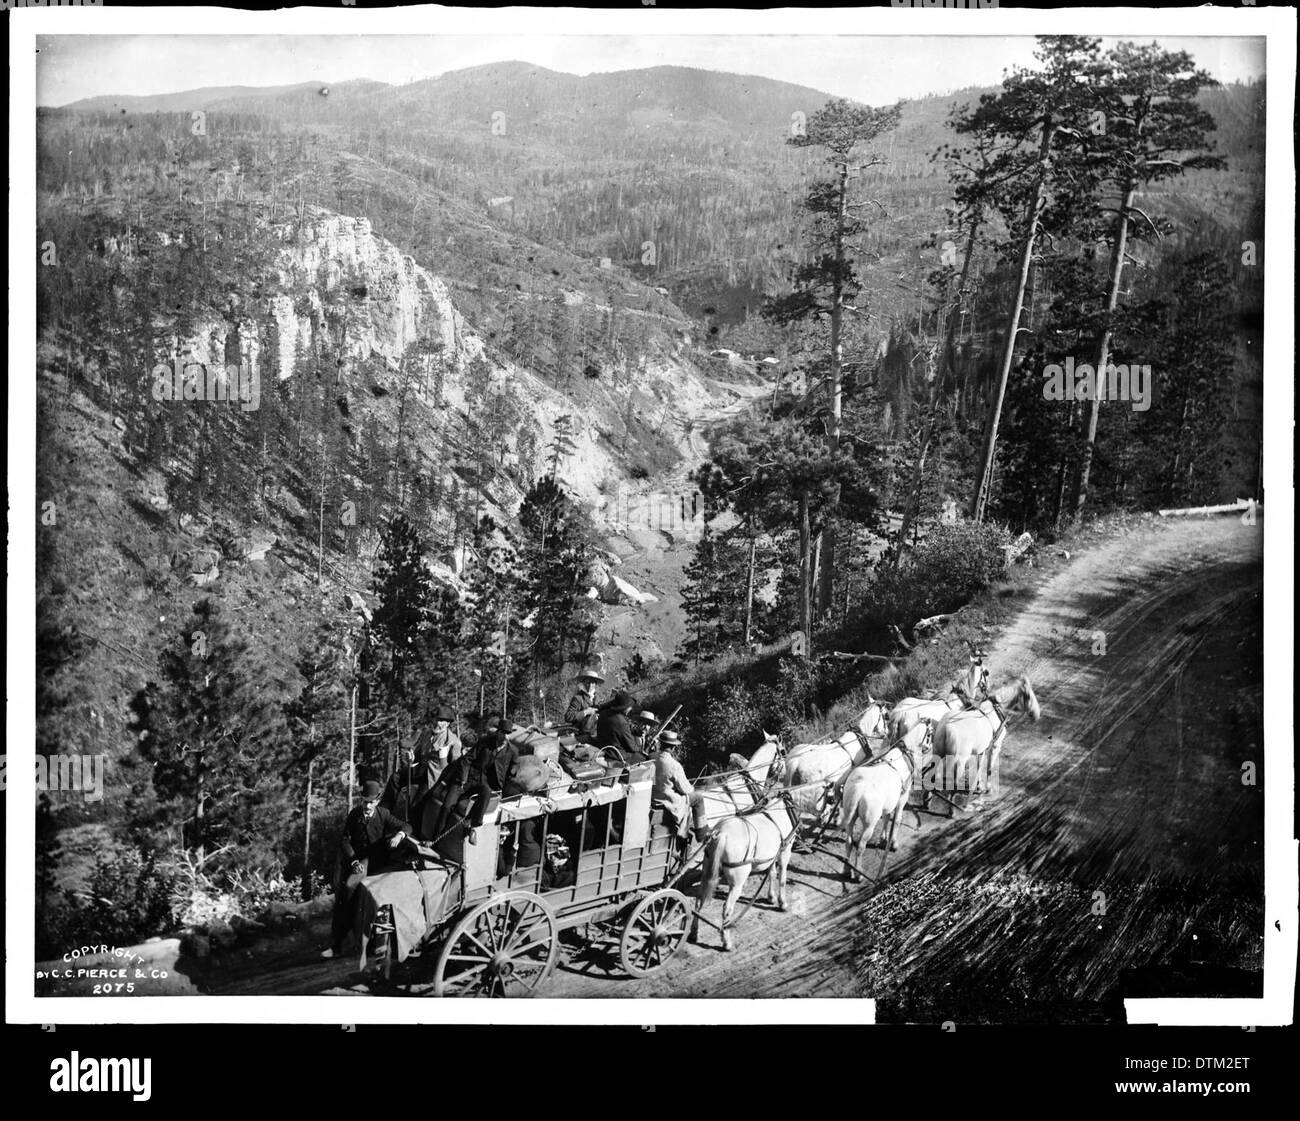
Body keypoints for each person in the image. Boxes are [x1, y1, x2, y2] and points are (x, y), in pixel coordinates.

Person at [323, 781, 413, 959]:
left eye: (371, 802)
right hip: (360, 862)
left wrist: (399, 835)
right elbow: (345, 840)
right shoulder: (354, 814)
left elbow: (406, 826)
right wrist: (354, 860)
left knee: (376, 897)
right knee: (348, 891)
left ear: (378, 801)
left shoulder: (384, 814)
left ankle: (376, 944)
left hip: (380, 863)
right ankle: (337, 945)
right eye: (364, 801)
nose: (367, 805)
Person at [427, 715, 522, 847]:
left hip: (486, 781)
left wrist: (512, 771)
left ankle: (473, 826)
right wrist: (463, 779)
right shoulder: (485, 742)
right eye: (503, 733)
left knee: (486, 793)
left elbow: (515, 763)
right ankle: (435, 839)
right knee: (447, 805)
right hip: (469, 776)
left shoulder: (512, 751)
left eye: (507, 735)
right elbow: (467, 760)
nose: (505, 737)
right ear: (498, 732)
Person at [652, 732, 709, 845]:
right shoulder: (674, 765)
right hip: (666, 801)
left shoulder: (651, 757)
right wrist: (691, 788)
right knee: (698, 798)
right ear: (673, 748)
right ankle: (702, 835)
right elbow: (686, 789)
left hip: (652, 796)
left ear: (660, 744)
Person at [596, 691, 643, 765]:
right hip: (616, 755)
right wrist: (639, 742)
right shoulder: (621, 722)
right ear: (625, 708)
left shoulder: (604, 713)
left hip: (603, 748)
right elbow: (632, 747)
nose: (631, 708)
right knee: (643, 758)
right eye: (630, 706)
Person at [564, 669, 603, 743]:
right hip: (581, 735)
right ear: (584, 683)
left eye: (593, 683)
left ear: (595, 684)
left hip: (595, 734)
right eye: (588, 682)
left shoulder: (598, 697)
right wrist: (586, 712)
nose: (590, 685)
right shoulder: (578, 698)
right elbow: (568, 716)